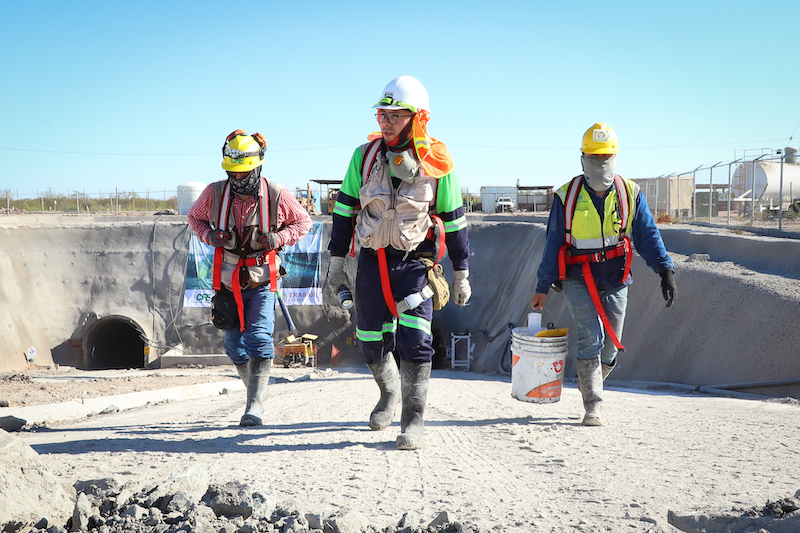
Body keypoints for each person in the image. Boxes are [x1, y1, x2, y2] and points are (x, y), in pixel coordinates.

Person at [326, 76, 472, 450]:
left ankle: (413, 420)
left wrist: (462, 272)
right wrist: (337, 263)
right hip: (372, 264)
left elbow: (454, 221)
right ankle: (389, 395)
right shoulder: (365, 156)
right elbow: (344, 211)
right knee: (371, 342)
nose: (385, 120)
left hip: (415, 266)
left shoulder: (438, 161)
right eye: (382, 113)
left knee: (417, 341)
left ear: (417, 117)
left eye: (394, 114)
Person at [531, 123, 677, 427]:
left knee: (612, 344)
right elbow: (553, 243)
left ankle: (591, 379)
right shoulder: (566, 196)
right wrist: (542, 287)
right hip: (577, 276)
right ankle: (593, 405)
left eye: (606, 157)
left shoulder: (629, 193)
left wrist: (665, 270)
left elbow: (648, 236)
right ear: (583, 158)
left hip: (615, 275)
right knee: (590, 338)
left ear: (615, 157)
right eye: (595, 157)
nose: (601, 163)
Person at [188, 130, 312, 427]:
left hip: (261, 280)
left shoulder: (277, 195)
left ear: (258, 166)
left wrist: (280, 236)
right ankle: (257, 389)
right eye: (232, 172)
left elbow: (304, 221)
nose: (237, 179)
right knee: (233, 346)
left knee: (258, 338)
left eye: (243, 173)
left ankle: (254, 404)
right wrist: (209, 234)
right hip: (228, 282)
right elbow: (195, 218)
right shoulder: (214, 193)